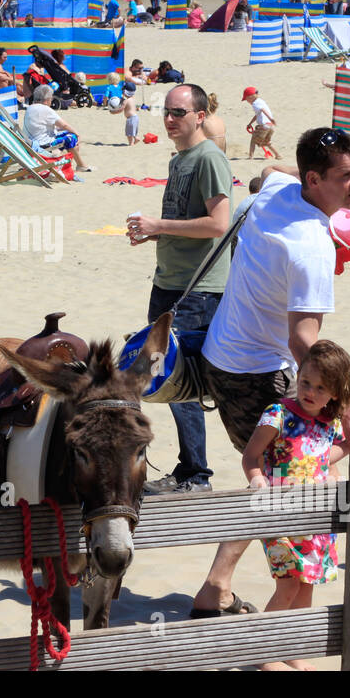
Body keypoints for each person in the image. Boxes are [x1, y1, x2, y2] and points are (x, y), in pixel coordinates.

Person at [191, 128, 350, 616]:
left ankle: (223, 587)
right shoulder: (313, 245)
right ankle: (244, 596)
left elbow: (268, 172)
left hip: (222, 357)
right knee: (287, 479)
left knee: (297, 472)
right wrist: (348, 409)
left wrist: (314, 174)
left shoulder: (281, 189)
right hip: (256, 370)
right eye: (346, 176)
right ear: (315, 179)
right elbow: (304, 342)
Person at [127, 83, 234, 496]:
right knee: (166, 379)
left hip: (197, 289)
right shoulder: (181, 160)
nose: (171, 119)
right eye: (167, 112)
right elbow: (188, 224)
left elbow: (218, 224)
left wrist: (160, 226)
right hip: (168, 283)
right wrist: (154, 234)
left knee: (179, 380)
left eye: (179, 113)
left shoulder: (208, 158)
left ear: (200, 115)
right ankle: (190, 469)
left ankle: (195, 475)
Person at [242, 339, 350, 669]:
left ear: (335, 393)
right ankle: (262, 651)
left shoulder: (330, 423)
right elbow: (252, 454)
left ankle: (291, 648)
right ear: (298, 375)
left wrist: (340, 466)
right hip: (279, 516)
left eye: (321, 388)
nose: (310, 391)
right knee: (288, 582)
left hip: (316, 521)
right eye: (305, 381)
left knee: (306, 586)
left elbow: (321, 458)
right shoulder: (278, 414)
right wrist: (256, 478)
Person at [23, 84, 89, 169]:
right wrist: (77, 134)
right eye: (51, 98)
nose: (52, 101)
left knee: (66, 133)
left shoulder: (30, 108)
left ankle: (74, 165)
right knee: (72, 137)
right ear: (47, 99)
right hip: (43, 145)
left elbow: (42, 126)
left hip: (31, 143)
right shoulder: (46, 109)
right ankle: (79, 165)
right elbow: (64, 125)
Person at [242, 86, 278, 158]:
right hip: (269, 126)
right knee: (266, 142)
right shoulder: (261, 101)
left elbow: (263, 110)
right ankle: (278, 155)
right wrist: (250, 123)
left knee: (253, 140)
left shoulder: (255, 104)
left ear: (250, 97)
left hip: (264, 126)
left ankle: (250, 156)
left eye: (246, 99)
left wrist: (270, 118)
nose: (247, 101)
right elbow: (257, 115)